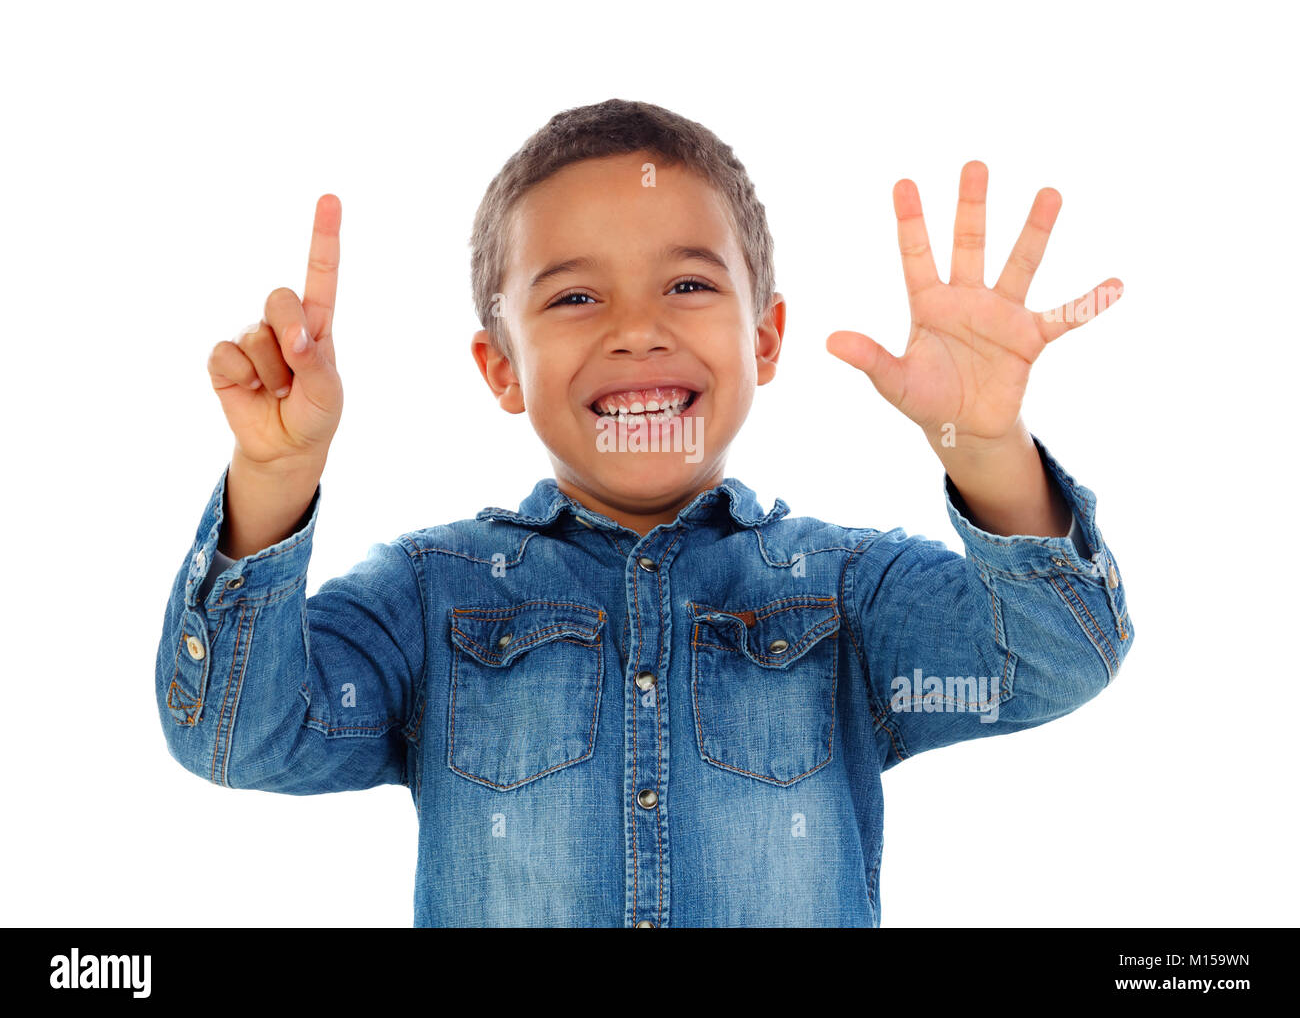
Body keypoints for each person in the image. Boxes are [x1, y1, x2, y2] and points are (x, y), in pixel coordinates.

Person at [156, 98, 1134, 927]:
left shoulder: (848, 589)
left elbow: (1058, 656)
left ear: (765, 338)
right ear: (501, 367)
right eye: (576, 294)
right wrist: (274, 476)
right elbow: (238, 734)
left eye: (687, 283)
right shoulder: (427, 594)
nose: (636, 328)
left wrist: (984, 444)